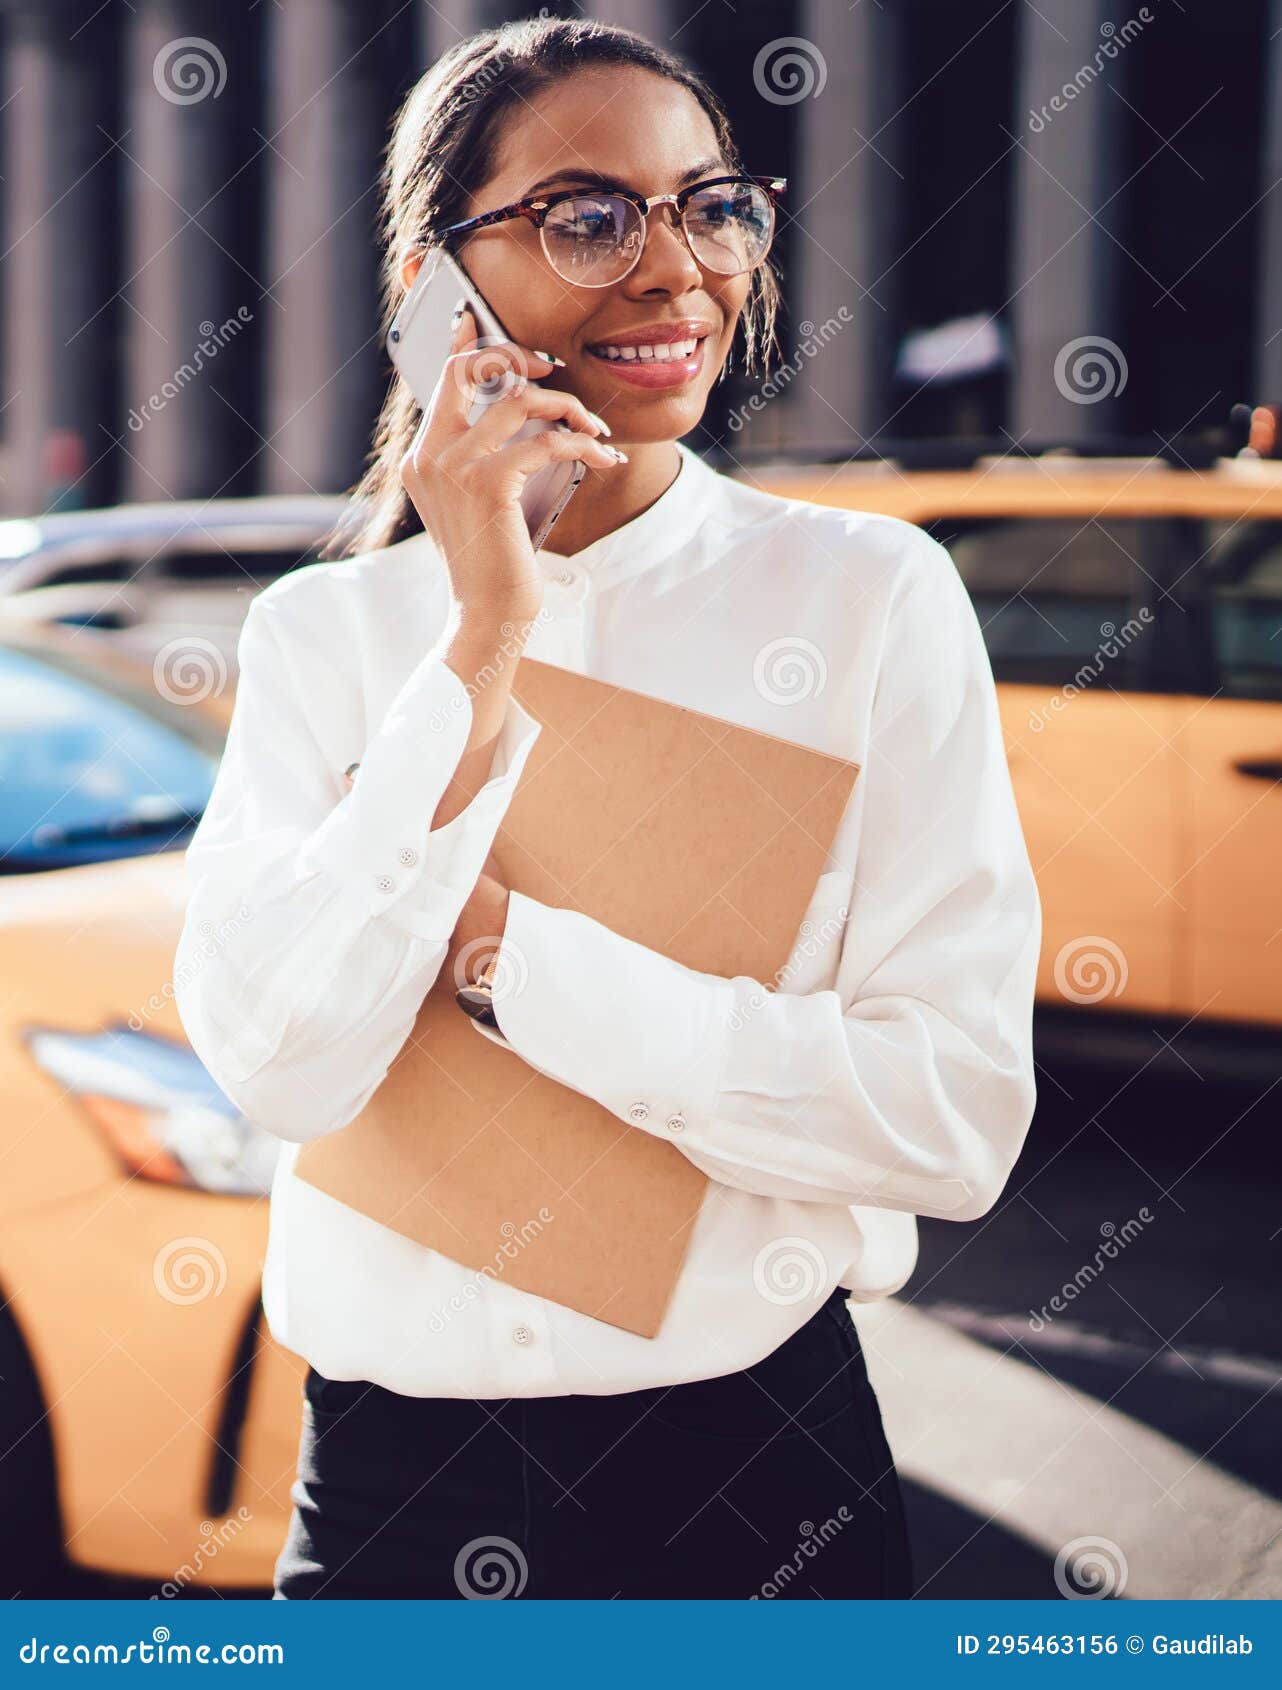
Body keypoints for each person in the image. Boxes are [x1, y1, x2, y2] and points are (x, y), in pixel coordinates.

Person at [174, 14, 1041, 1601]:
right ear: (436, 284)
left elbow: (955, 1112)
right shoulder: (327, 635)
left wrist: (508, 957)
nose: (673, 268)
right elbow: (282, 1067)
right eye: (585, 216)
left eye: (710, 205)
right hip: (392, 1492)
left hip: (754, 1474)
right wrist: (483, 632)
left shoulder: (863, 598)